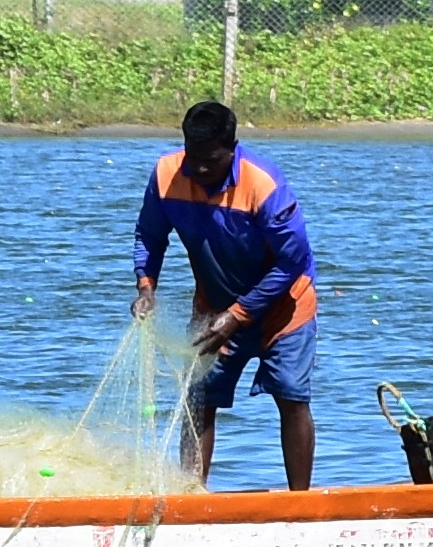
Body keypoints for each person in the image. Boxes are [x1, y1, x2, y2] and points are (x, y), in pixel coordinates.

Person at [129, 97, 322, 490]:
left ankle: (301, 502)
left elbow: (292, 262)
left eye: (212, 160)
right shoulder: (167, 174)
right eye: (193, 157)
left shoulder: (263, 184)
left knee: (291, 397)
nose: (200, 168)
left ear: (232, 149)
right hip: (212, 304)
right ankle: (191, 496)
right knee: (198, 400)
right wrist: (147, 287)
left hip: (284, 308)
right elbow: (149, 236)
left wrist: (238, 315)